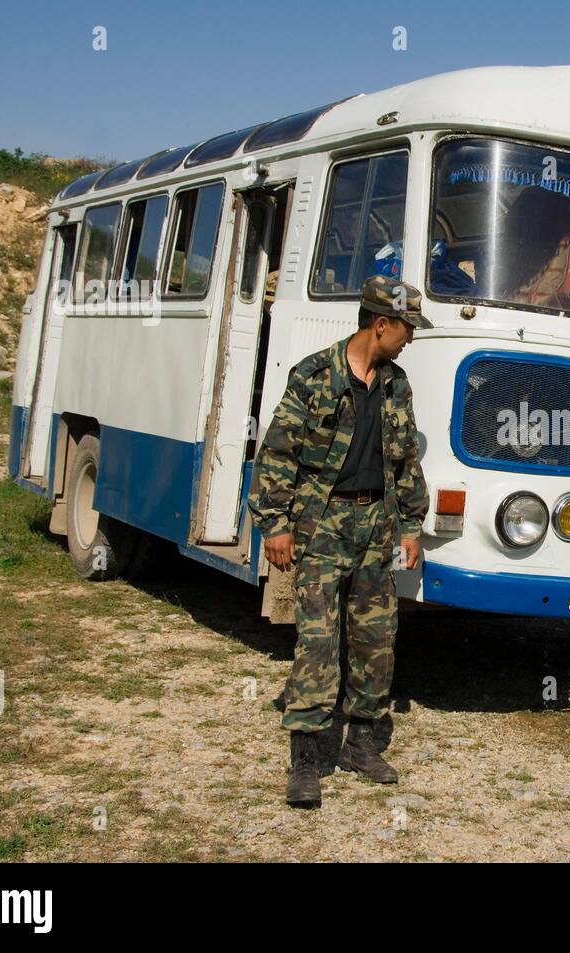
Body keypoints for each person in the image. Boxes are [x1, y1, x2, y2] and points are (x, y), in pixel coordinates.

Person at [249, 275, 429, 807]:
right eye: (407, 328)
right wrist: (275, 525)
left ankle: (362, 744)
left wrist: (413, 526)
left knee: (377, 640)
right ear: (381, 324)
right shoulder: (312, 376)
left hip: (377, 527)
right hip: (321, 527)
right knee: (319, 643)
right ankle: (306, 761)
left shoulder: (396, 385)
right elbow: (278, 454)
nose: (411, 339)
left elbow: (405, 461)